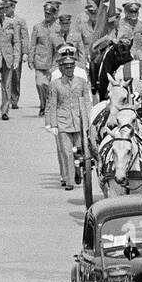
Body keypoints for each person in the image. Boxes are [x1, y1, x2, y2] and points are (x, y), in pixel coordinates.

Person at [46, 45, 89, 190]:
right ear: (61, 68)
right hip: (63, 121)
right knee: (67, 152)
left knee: (79, 151)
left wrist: (88, 121)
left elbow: (86, 102)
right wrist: (53, 125)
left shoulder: (81, 82)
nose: (69, 69)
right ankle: (70, 180)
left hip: (78, 120)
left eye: (71, 66)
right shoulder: (55, 84)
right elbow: (52, 104)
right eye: (66, 67)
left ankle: (77, 171)